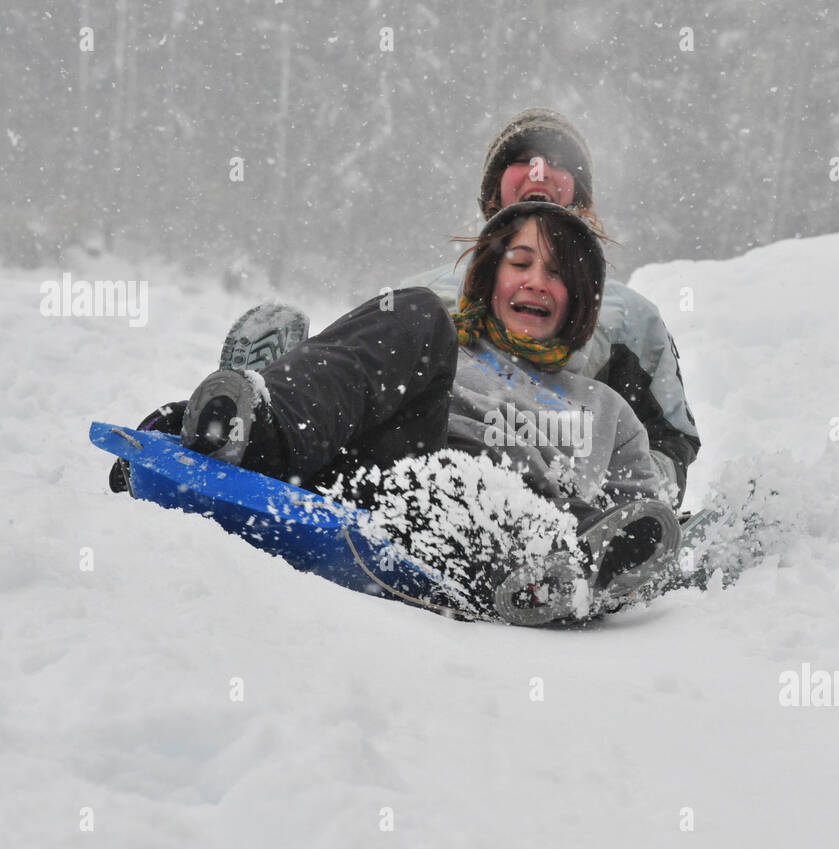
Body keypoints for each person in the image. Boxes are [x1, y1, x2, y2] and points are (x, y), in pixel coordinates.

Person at [169, 203, 680, 624]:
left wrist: (631, 551)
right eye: (520, 264)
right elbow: (352, 385)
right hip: (386, 480)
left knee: (534, 508)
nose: (536, 282)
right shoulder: (442, 346)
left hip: (518, 531)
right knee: (411, 311)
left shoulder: (605, 408)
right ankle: (249, 427)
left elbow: (643, 526)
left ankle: (555, 569)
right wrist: (175, 427)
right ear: (490, 277)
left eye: (558, 274)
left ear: (582, 301)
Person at [400, 107, 701, 506]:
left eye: (558, 163)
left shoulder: (630, 319)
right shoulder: (425, 295)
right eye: (522, 160)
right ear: (494, 188)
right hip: (435, 476)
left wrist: (629, 505)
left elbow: (668, 441)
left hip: (571, 497)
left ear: (580, 192)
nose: (539, 173)